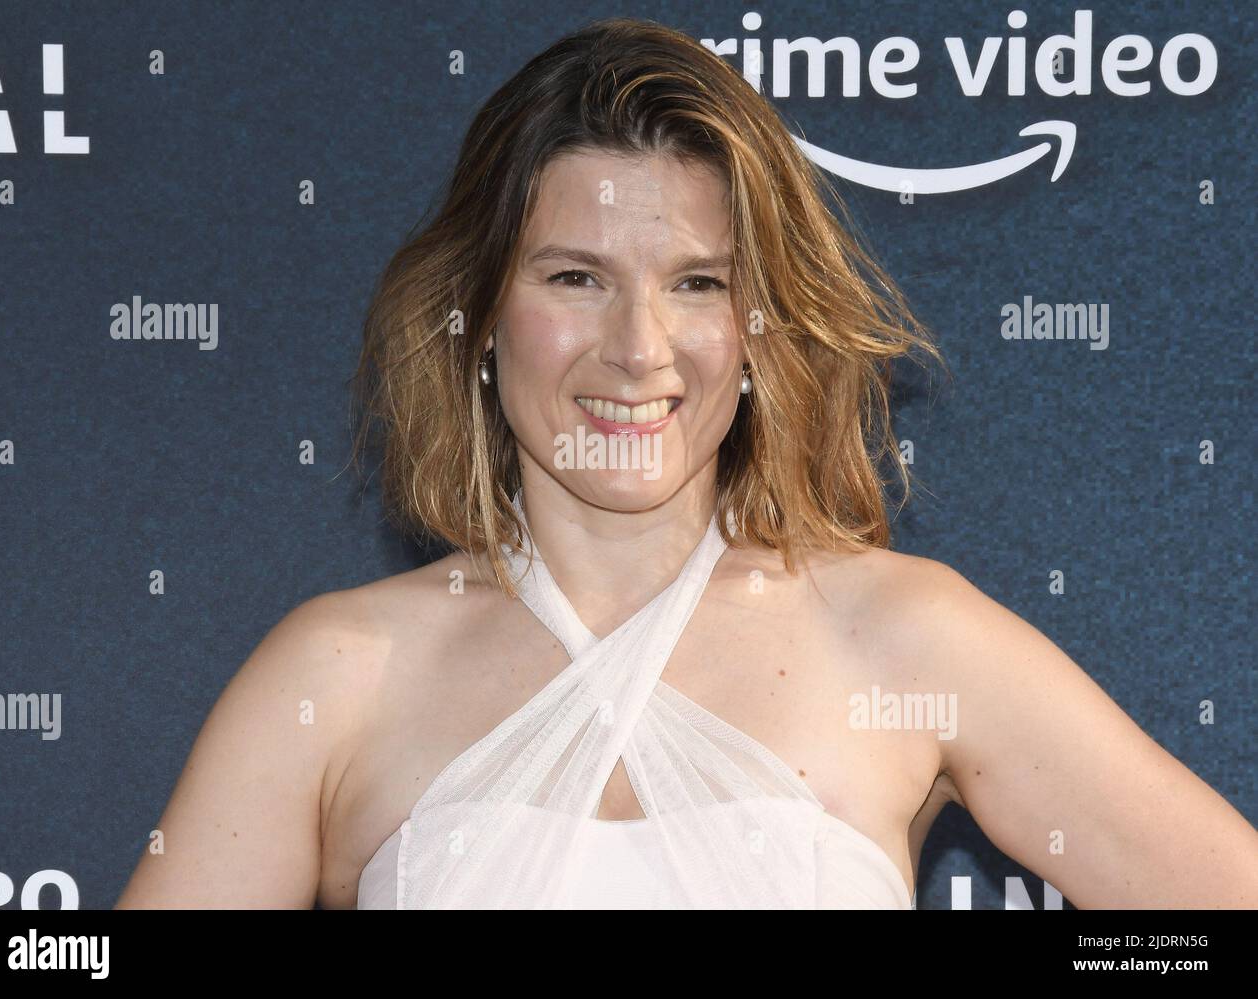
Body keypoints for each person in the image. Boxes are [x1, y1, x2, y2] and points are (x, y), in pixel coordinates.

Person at [116, 17, 1258, 909]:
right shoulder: (338, 673)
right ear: (479, 313)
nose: (637, 349)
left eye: (697, 284)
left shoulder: (901, 637)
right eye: (574, 277)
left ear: (760, 326)